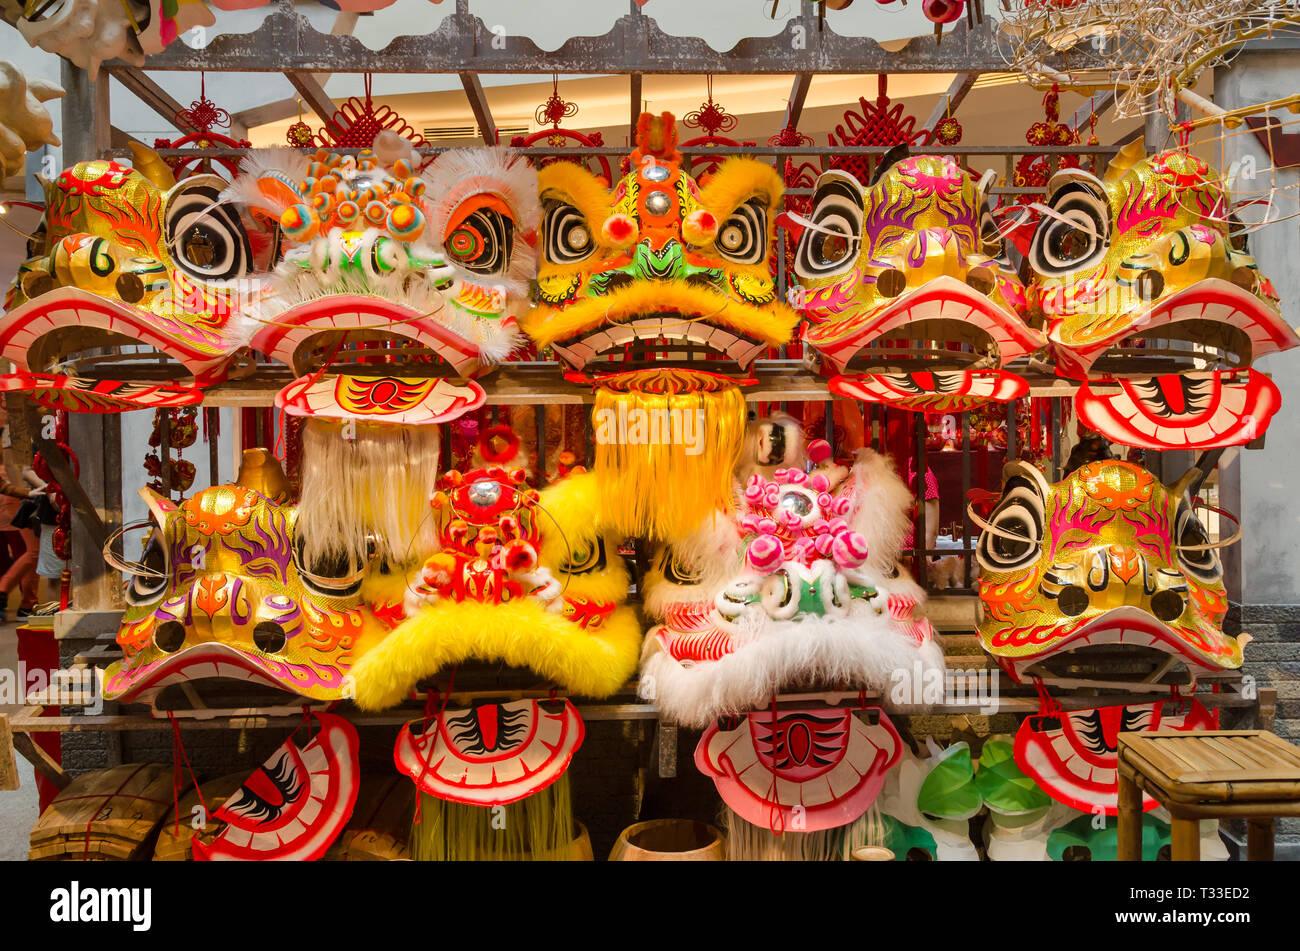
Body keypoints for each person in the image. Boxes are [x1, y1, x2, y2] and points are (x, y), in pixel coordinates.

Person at [0, 469, 46, 623]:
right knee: (32, 552)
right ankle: (27, 603)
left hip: (20, 497)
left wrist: (27, 493)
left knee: (29, 553)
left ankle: (28, 604)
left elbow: (4, 486)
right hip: (16, 502)